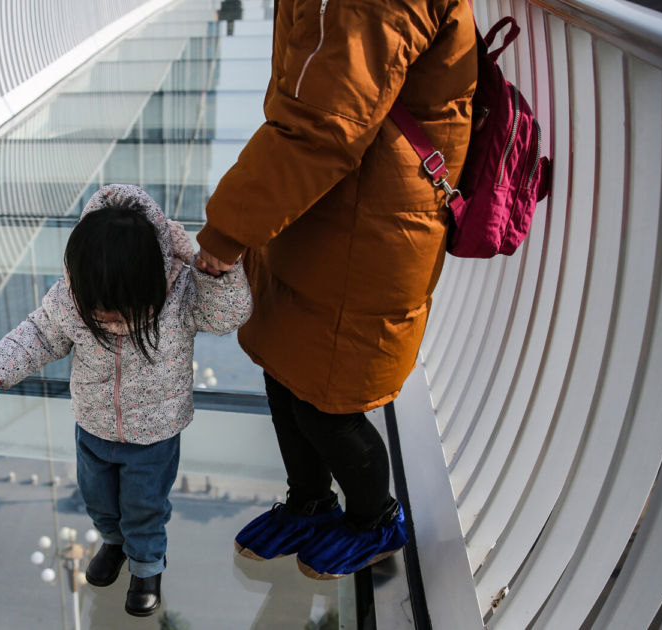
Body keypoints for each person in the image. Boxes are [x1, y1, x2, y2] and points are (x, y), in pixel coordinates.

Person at [193, 0, 477, 579]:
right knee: (284, 370)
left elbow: (323, 124)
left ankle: (375, 521)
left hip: (372, 217)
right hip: (329, 202)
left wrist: (227, 231)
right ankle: (311, 504)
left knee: (327, 404)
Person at [0, 185, 252, 616]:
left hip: (155, 435)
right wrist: (1, 364)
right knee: (97, 498)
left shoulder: (180, 294)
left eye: (121, 309)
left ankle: (147, 566)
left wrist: (215, 275)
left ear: (150, 282)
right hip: (93, 424)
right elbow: (42, 332)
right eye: (98, 308)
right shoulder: (72, 297)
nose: (107, 317)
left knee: (144, 506)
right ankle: (113, 542)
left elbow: (226, 315)